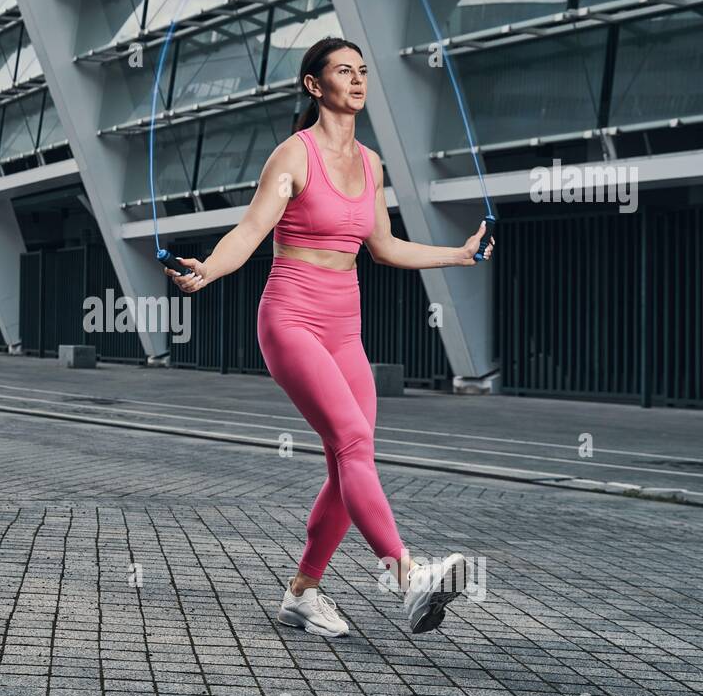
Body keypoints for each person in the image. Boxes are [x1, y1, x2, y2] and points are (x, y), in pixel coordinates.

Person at [163, 36, 494, 636]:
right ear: (316, 86)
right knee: (349, 439)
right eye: (344, 71)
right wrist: (208, 269)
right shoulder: (292, 156)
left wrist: (460, 255)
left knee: (352, 456)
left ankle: (302, 593)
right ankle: (407, 575)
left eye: (363, 70)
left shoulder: (371, 164)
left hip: (346, 322)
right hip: (289, 315)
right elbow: (251, 231)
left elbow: (384, 246)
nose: (358, 80)